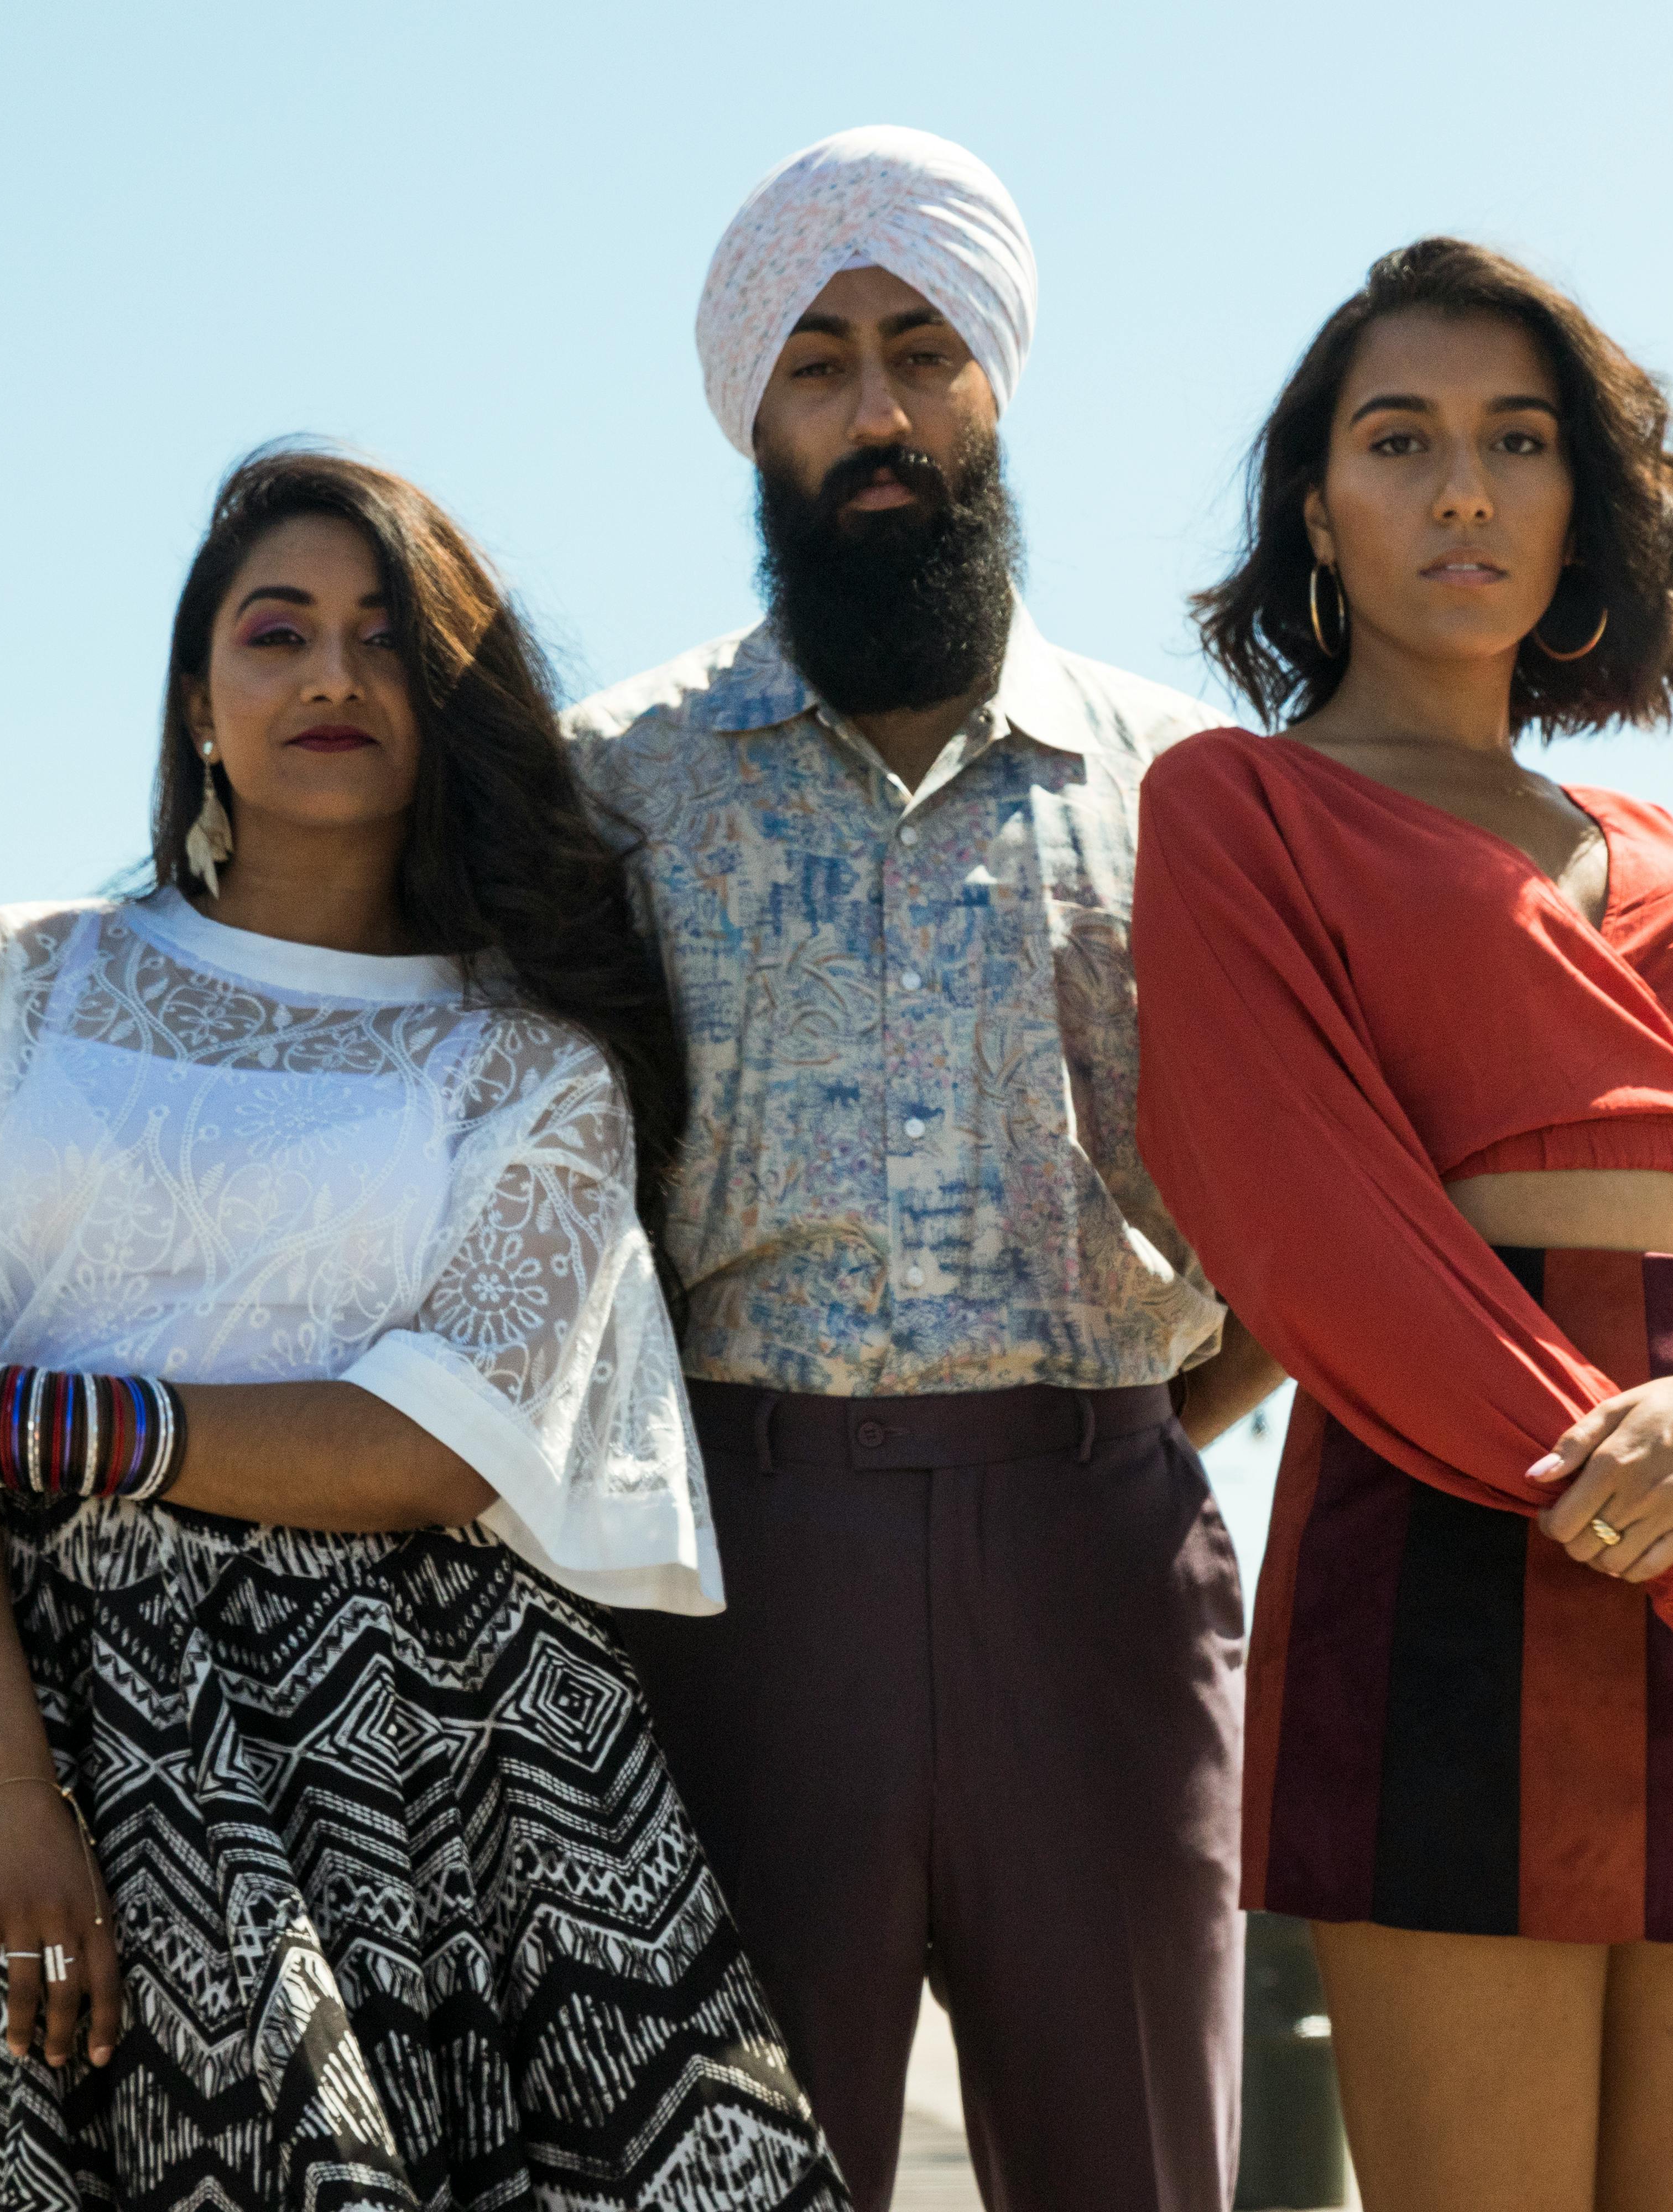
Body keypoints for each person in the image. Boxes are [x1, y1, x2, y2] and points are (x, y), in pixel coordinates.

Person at [0, 445, 847, 2210]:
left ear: (449, 699)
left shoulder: (531, 1066)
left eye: (386, 639)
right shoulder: (14, 984)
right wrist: (4, 1786)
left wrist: (12, 1415)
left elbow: (423, 1449)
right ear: (197, 697)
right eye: (278, 632)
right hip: (89, 1735)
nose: (332, 675)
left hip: (450, 1767)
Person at [1132, 238, 1673, 2211]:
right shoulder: (1240, 808)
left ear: (1582, 500)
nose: (1462, 489)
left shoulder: (1666, 860)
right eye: (1398, 441)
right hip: (1451, 1552)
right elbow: (1330, 1245)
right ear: (1315, 504)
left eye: (1515, 440)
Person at [564, 126, 1281, 2212]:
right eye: (816, 362)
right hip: (733, 1589)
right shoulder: (614, 787)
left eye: (918, 349)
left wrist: (1130, 1438)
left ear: (993, 381)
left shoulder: (1189, 790)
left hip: (1106, 1577)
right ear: (753, 416)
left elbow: (1292, 1206)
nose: (874, 407)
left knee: (1139, 2167)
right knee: (732, 2180)